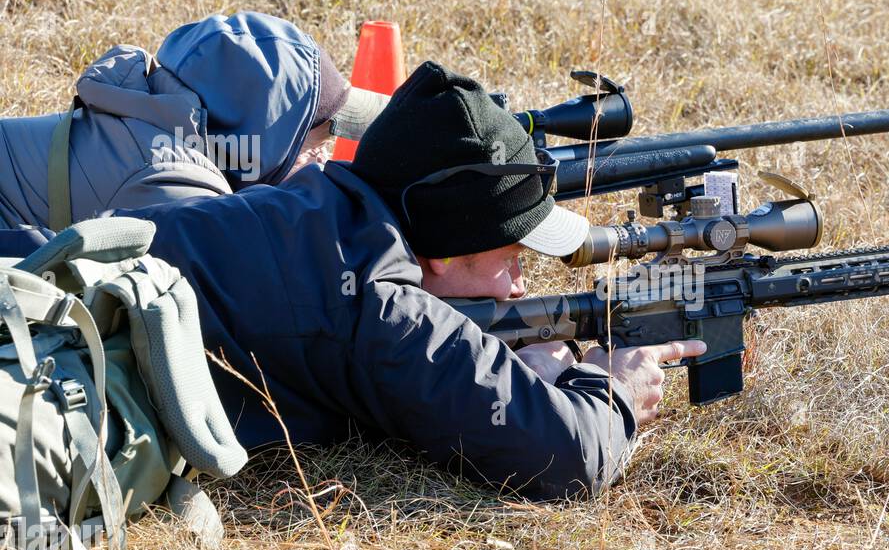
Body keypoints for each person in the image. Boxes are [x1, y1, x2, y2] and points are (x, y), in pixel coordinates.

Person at [111, 61, 704, 500]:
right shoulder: (383, 309)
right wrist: (615, 389)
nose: (519, 286)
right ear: (443, 252)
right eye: (513, 257)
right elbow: (563, 457)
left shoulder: (327, 201)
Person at [0, 11, 385, 230]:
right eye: (317, 144)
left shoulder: (155, 119)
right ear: (265, 141)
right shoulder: (174, 184)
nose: (326, 159)